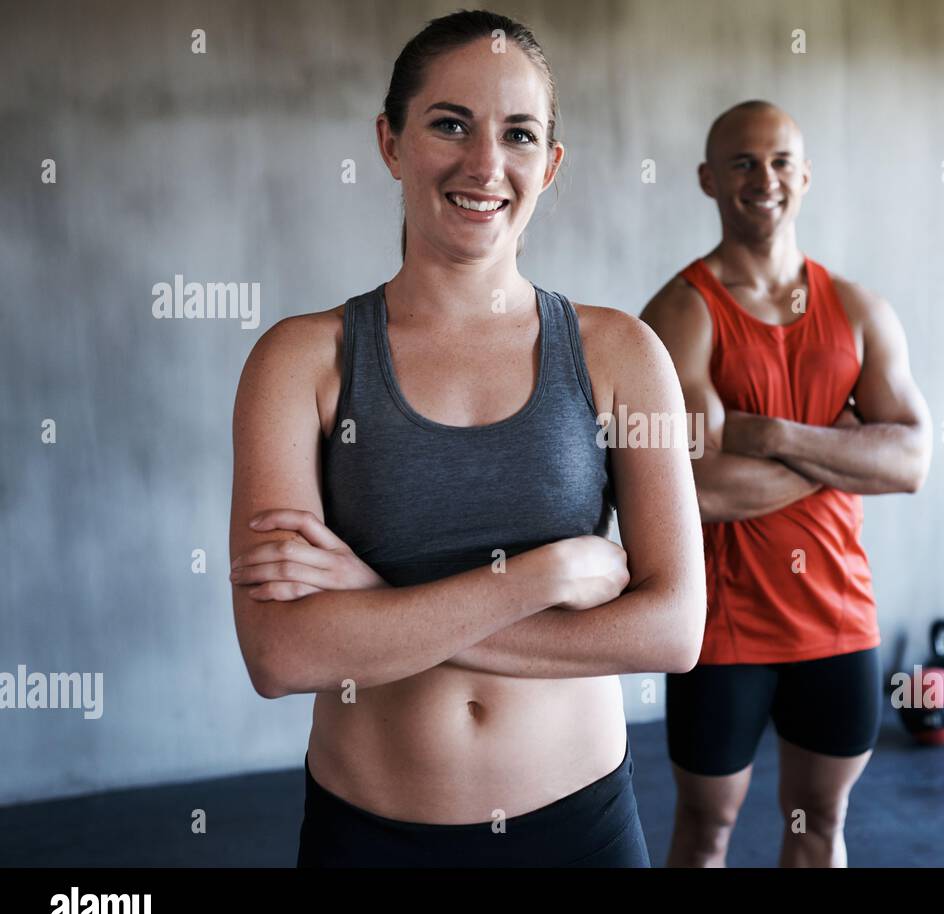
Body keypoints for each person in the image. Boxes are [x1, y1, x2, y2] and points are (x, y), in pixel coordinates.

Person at [226, 10, 705, 867]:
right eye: (450, 123)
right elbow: (282, 651)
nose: (485, 165)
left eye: (518, 134)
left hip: (580, 826)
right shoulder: (301, 360)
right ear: (390, 142)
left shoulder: (621, 352)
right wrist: (544, 575)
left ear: (549, 165)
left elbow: (673, 630)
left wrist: (374, 601)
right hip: (370, 831)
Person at [641, 100, 932, 867]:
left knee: (820, 829)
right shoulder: (681, 314)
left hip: (837, 618)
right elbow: (696, 489)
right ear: (708, 178)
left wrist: (768, 433)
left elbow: (910, 462)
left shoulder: (860, 310)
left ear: (804, 176)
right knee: (706, 833)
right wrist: (842, 450)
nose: (761, 179)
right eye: (741, 162)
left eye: (777, 162)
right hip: (722, 626)